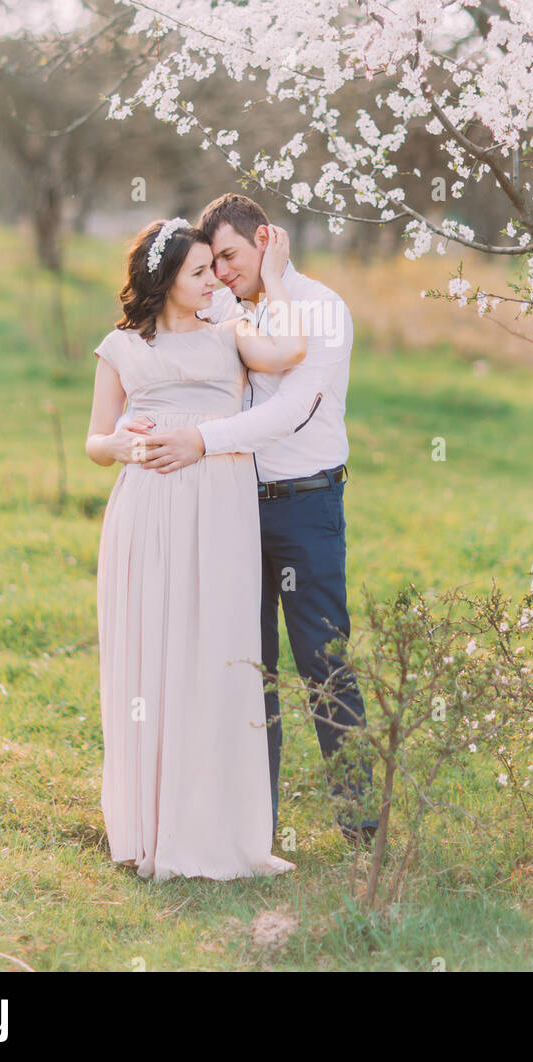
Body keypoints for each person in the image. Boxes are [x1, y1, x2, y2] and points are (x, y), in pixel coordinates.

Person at [138, 194, 379, 845]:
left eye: (229, 257)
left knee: (324, 666)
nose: (219, 273)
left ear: (266, 241)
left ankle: (362, 826)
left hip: (307, 508)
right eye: (210, 262)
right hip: (235, 506)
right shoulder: (225, 310)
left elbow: (292, 409)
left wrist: (203, 439)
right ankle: (254, 830)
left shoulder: (323, 310)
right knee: (249, 671)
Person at [85, 216, 301, 881]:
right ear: (165, 279)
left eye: (217, 268)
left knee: (217, 651)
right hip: (148, 508)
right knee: (155, 653)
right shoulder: (121, 349)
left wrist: (276, 275)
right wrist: (120, 445)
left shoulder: (231, 333)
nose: (216, 281)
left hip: (221, 507)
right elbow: (95, 441)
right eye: (200, 272)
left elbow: (288, 351)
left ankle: (216, 829)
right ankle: (152, 826)